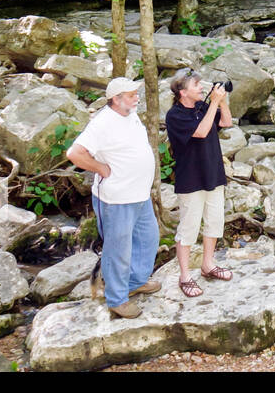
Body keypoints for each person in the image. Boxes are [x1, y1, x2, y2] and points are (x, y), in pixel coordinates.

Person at [65, 76, 160, 319]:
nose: (136, 97)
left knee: (148, 240)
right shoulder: (103, 123)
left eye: (136, 93)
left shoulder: (130, 114)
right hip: (117, 198)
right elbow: (75, 153)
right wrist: (100, 168)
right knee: (118, 249)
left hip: (139, 195)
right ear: (116, 99)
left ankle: (134, 282)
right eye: (131, 94)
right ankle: (117, 299)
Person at [164, 69, 234, 297]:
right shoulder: (175, 116)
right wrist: (213, 103)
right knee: (189, 226)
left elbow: (227, 122)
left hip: (213, 172)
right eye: (196, 85)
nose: (201, 87)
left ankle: (208, 264)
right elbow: (202, 132)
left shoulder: (203, 107)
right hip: (191, 178)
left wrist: (221, 102)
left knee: (214, 220)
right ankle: (185, 276)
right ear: (183, 92)